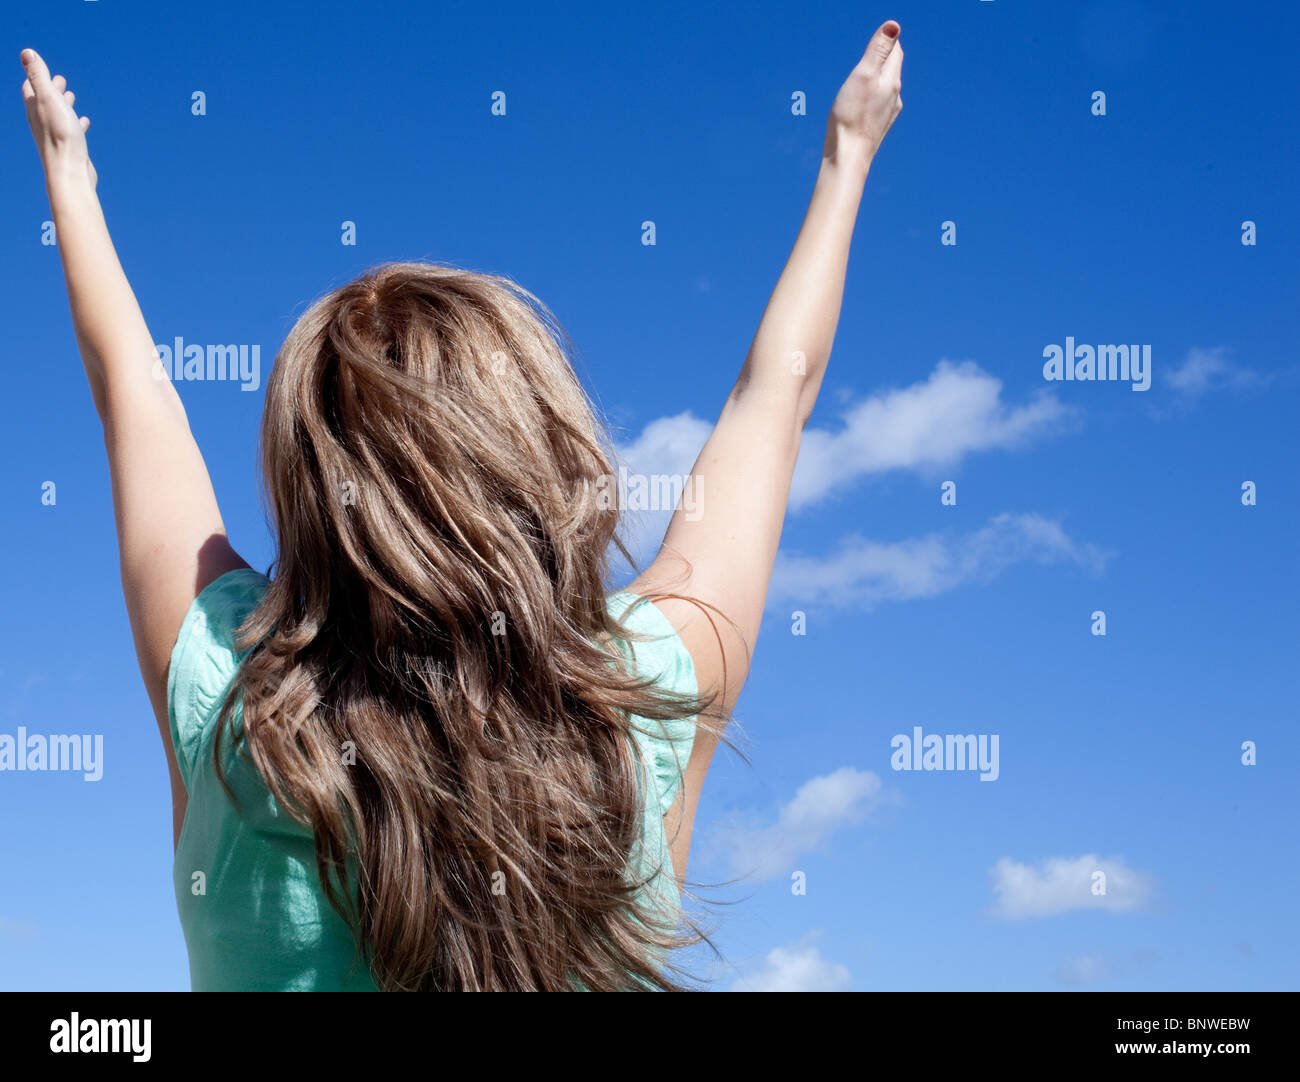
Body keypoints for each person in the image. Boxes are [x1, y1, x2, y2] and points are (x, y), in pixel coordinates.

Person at [18, 20, 903, 991]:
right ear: (545, 461)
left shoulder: (228, 696)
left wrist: (70, 181)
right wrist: (845, 159)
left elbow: (132, 396)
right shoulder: (642, 703)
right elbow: (774, 399)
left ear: (310, 489)